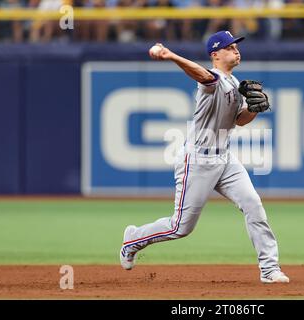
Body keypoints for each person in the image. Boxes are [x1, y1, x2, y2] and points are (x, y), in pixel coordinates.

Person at [119, 30, 289, 284]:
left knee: (253, 204)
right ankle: (132, 240)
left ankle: (269, 269)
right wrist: (170, 55)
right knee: (180, 227)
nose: (236, 50)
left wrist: (254, 110)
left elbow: (239, 121)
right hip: (198, 160)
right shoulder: (212, 80)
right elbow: (203, 75)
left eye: (236, 46)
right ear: (215, 54)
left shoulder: (234, 82)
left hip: (225, 159)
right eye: (230, 47)